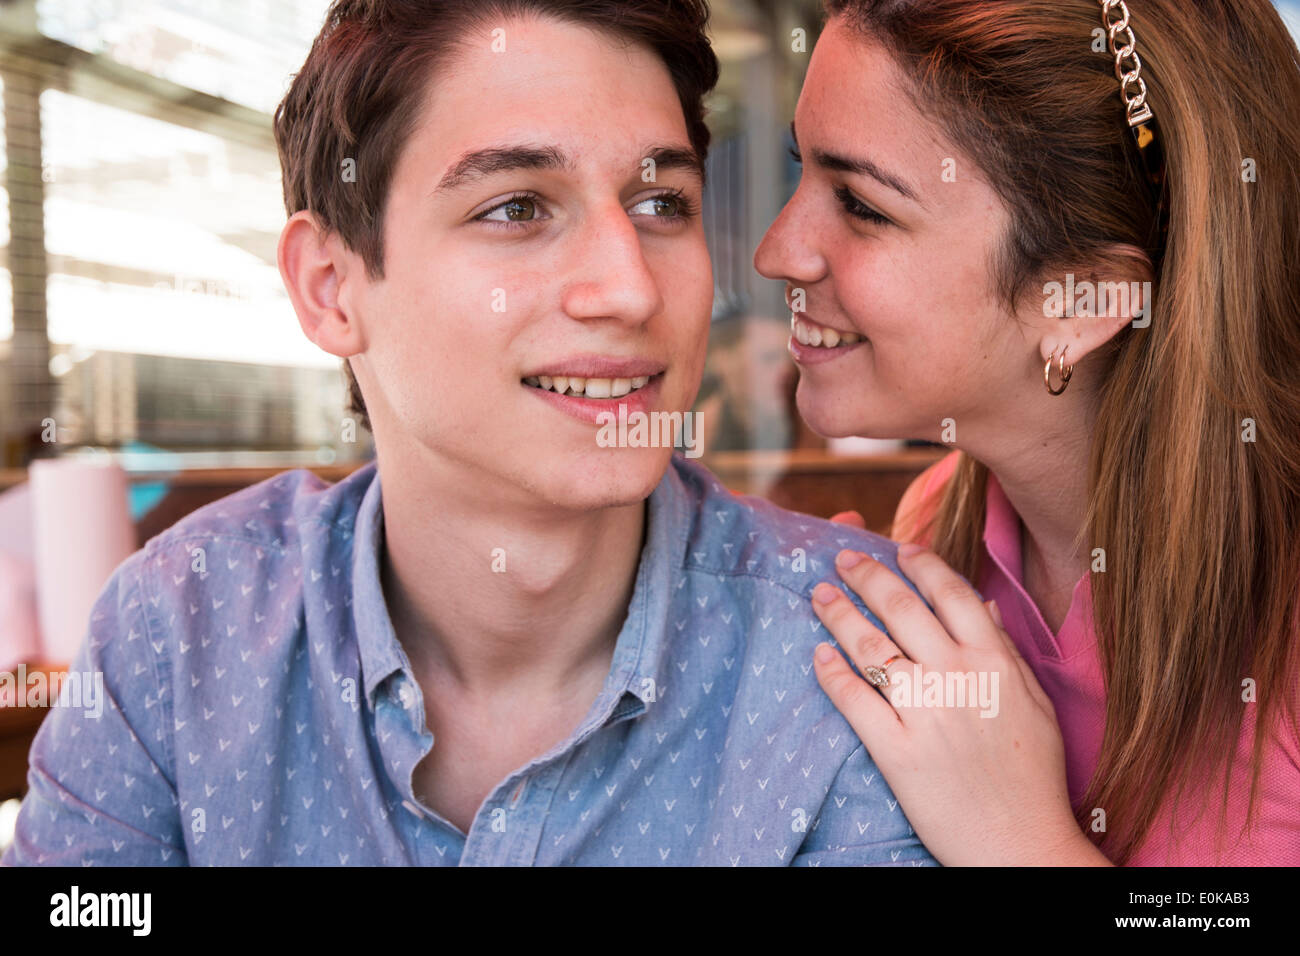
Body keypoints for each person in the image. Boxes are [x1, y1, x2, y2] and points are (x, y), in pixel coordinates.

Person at [2, 0, 935, 867]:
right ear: (330, 287)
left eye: (660, 205)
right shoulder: (177, 637)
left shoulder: (851, 661)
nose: (630, 289)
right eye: (517, 208)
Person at [754, 0, 1300, 864]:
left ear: (1081, 300)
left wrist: (1017, 840)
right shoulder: (936, 533)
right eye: (800, 169)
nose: (778, 251)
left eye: (860, 204)